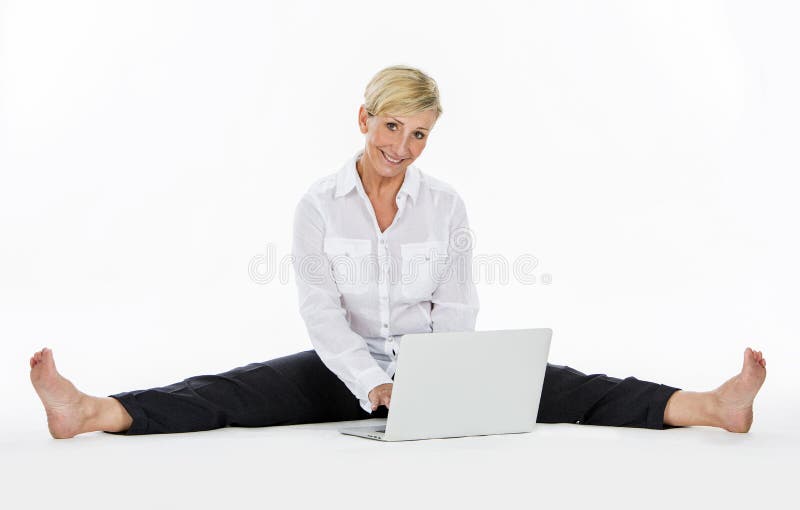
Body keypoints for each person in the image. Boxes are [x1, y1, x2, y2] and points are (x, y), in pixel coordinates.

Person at [29, 65, 767, 439]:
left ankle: (712, 406)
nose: (402, 148)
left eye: (419, 135)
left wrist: (436, 381)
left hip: (434, 370)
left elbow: (459, 305)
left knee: (569, 387)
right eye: (391, 127)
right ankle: (91, 412)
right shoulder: (318, 206)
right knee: (232, 393)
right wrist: (375, 385)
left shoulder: (445, 206)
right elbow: (322, 314)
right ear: (364, 118)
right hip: (345, 368)